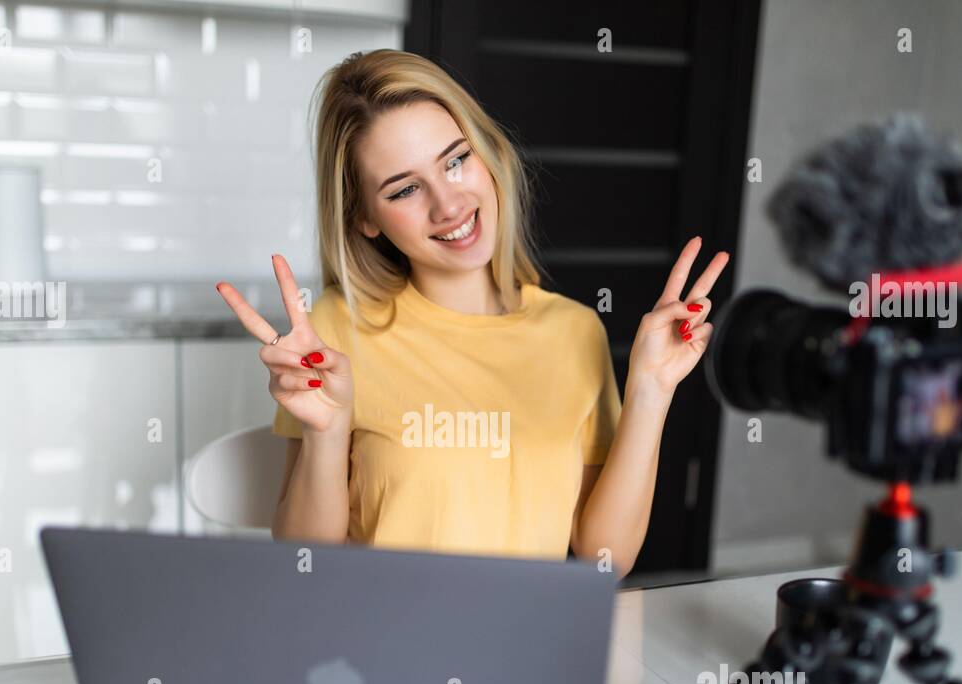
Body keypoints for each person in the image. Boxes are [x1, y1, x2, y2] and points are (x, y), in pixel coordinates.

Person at [216, 50, 728, 578]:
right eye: (406, 189)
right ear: (365, 217)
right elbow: (307, 561)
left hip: (525, 644)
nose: (448, 205)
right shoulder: (334, 330)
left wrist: (650, 390)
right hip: (386, 645)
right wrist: (327, 434)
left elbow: (606, 560)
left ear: (487, 155)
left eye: (455, 159)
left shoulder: (575, 332)